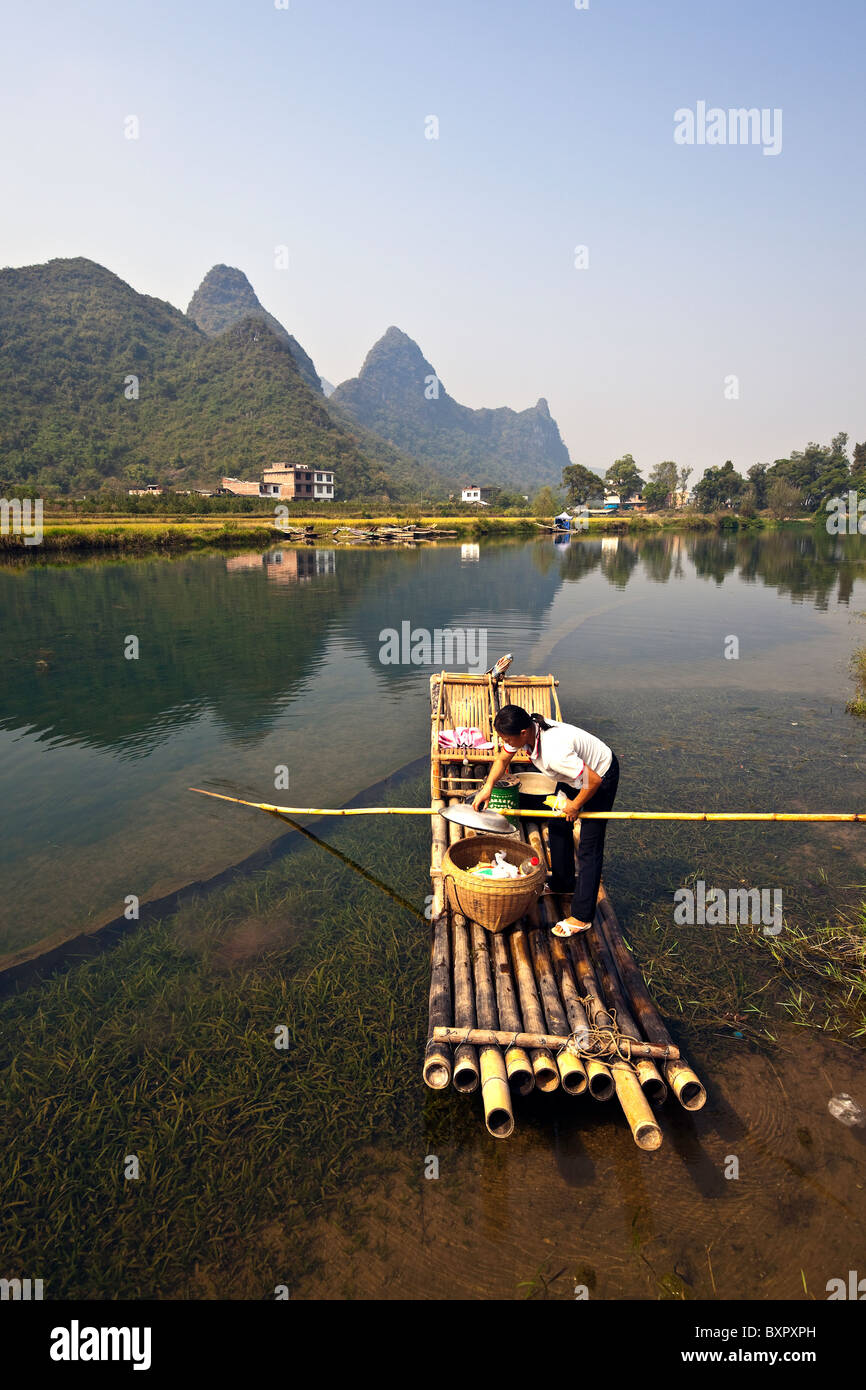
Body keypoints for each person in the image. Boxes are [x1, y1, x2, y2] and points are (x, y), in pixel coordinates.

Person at [473, 704, 619, 937]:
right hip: (574, 777)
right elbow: (502, 759)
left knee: (589, 848)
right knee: (558, 825)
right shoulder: (526, 730)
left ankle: (582, 917)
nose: (504, 742)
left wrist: (575, 805)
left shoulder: (555, 753)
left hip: (600, 775)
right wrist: (487, 787)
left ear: (523, 733)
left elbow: (593, 780)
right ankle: (563, 883)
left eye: (506, 737)